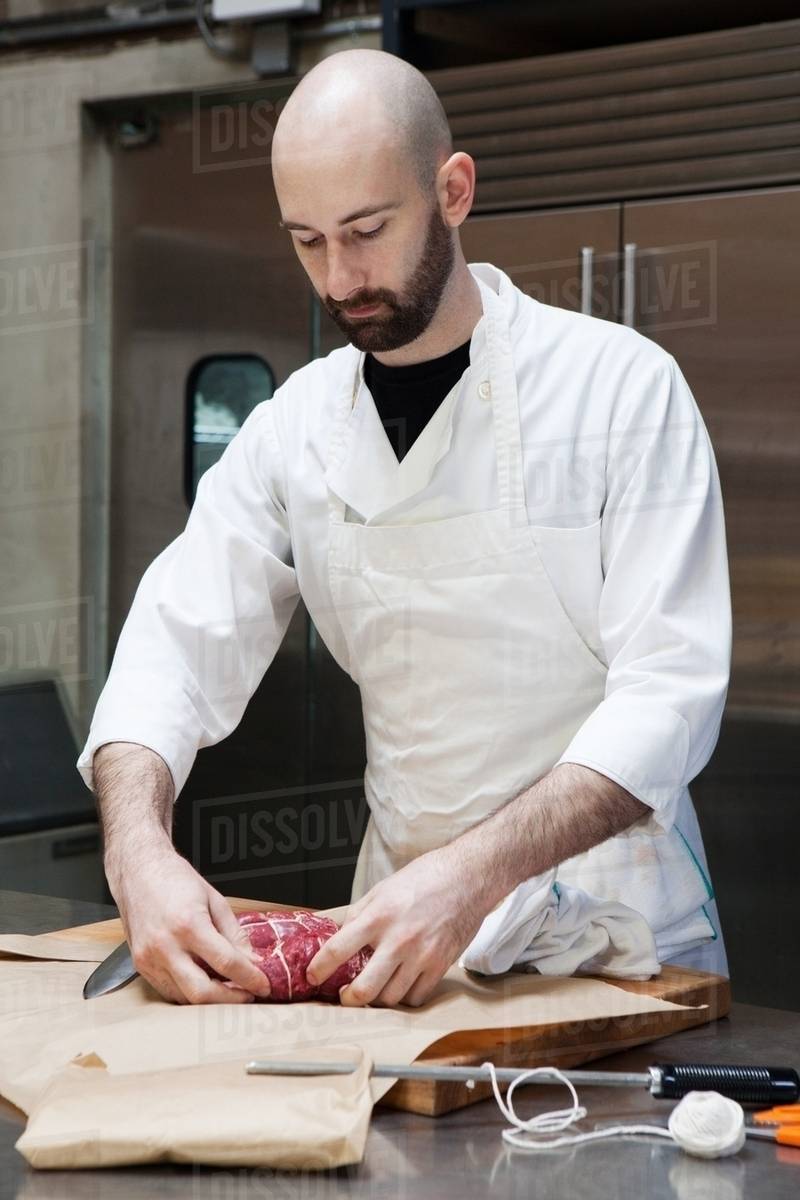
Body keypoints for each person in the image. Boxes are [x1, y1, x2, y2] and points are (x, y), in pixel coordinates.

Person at [78, 48, 731, 1007]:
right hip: (391, 945)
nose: (341, 278)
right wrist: (137, 854)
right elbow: (170, 650)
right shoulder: (294, 429)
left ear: (453, 191)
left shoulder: (620, 390)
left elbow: (670, 695)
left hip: (616, 937)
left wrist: (472, 876)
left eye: (367, 231)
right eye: (307, 241)